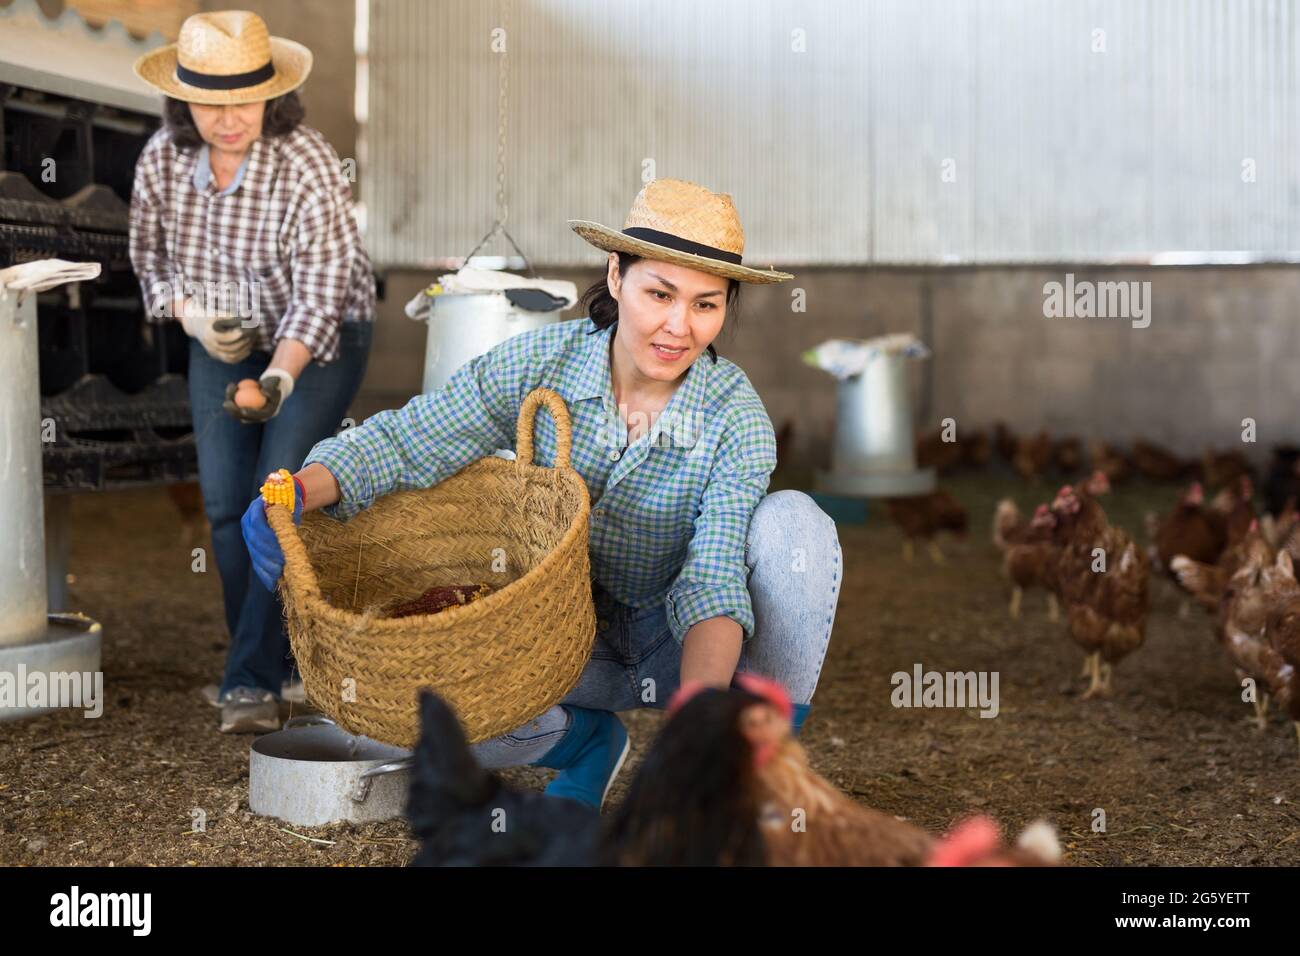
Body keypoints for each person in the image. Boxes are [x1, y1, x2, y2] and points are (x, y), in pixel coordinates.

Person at [244, 179, 841, 808]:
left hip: (679, 651)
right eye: (659, 294)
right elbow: (411, 437)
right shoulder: (542, 363)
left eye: (705, 305)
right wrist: (289, 494)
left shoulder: (733, 412)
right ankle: (581, 742)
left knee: (795, 524)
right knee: (404, 711)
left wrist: (691, 737)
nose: (678, 327)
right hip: (552, 647)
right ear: (616, 276)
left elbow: (711, 578)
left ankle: (752, 768)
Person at [128, 11, 375, 733]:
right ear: (183, 99)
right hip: (222, 336)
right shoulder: (160, 162)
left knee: (275, 497)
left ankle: (249, 681)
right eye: (209, 100)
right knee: (223, 505)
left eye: (244, 99)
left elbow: (322, 294)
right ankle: (280, 661)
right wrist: (198, 321)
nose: (228, 117)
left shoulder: (307, 161)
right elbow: (151, 263)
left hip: (320, 338)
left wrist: (278, 380)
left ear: (272, 96)